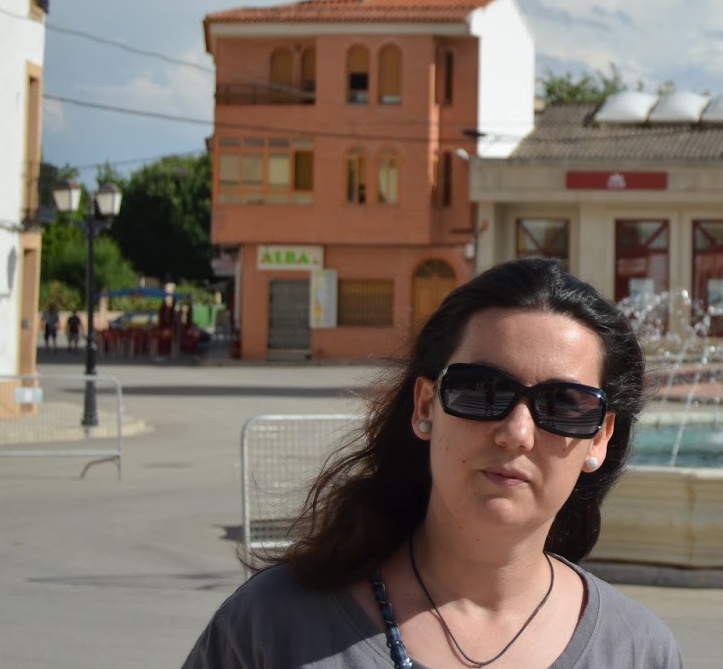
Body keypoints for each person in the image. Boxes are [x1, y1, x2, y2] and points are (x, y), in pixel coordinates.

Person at [183, 258, 682, 668]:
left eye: (565, 404)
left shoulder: (637, 652)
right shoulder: (272, 628)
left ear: (600, 438)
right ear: (425, 407)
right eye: (482, 390)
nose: (517, 433)